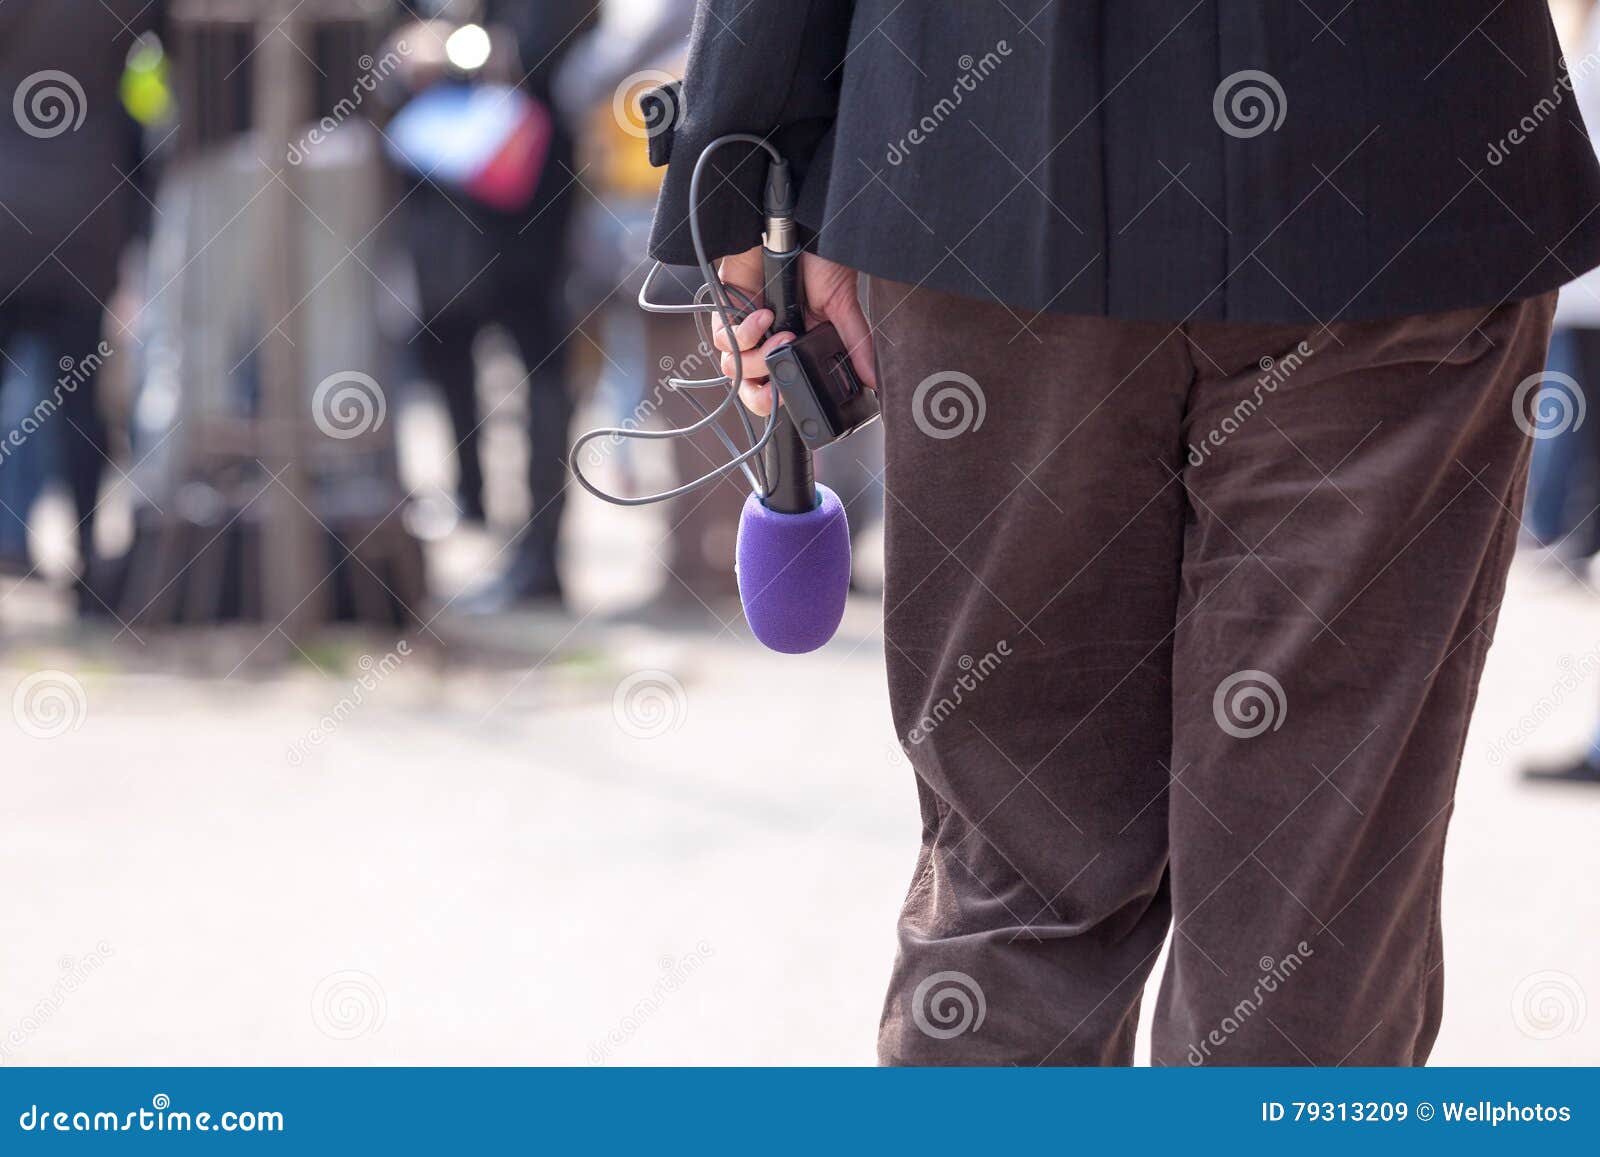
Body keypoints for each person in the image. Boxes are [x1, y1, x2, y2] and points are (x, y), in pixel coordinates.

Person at [646, 3, 1600, 1065]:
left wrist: (749, 167)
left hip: (999, 164)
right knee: (1312, 899)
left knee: (1019, 873)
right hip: (1395, 156)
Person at [0, 0, 158, 605]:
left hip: (27, 208)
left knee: (77, 402)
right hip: (86, 210)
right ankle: (89, 565)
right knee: (80, 402)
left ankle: (85, 561)